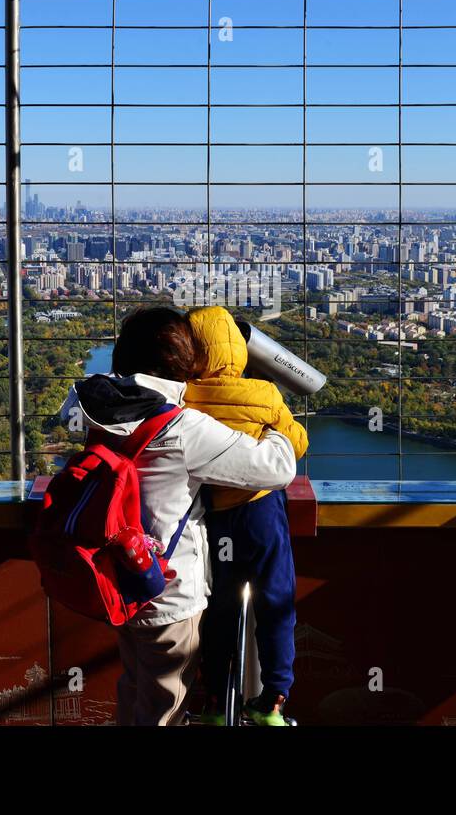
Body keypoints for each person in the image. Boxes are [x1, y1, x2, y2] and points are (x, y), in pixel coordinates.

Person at [59, 307, 297, 725]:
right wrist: (273, 419)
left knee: (135, 691)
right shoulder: (182, 427)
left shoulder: (90, 402)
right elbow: (276, 468)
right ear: (184, 362)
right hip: (168, 592)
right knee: (163, 710)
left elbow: (68, 415)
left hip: (116, 579)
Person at [182, 305, 308, 726]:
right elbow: (298, 443)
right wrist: (268, 428)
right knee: (277, 604)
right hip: (263, 512)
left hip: (216, 519)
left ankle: (217, 701)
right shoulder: (264, 394)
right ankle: (273, 699)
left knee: (218, 610)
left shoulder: (186, 397)